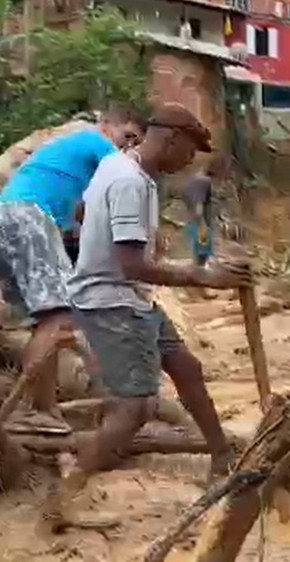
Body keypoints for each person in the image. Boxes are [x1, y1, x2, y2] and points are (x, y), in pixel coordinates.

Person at [48, 103, 253, 529]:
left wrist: (105, 238)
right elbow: (130, 265)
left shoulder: (121, 167)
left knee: (186, 367)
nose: (186, 164)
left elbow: (85, 213)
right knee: (135, 408)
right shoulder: (128, 182)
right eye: (188, 153)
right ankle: (65, 495)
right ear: (172, 139)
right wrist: (203, 276)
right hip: (111, 300)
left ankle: (222, 457)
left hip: (128, 295)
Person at [0, 107, 146, 428]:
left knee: (44, 320)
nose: (129, 147)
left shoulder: (70, 166)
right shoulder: (93, 141)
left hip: (9, 218)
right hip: (29, 218)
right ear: (106, 125)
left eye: (136, 142)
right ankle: (40, 411)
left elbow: (86, 219)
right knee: (57, 316)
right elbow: (126, 175)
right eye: (128, 137)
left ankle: (38, 406)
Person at [183, 155, 223, 267]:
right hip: (201, 223)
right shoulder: (203, 181)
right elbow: (198, 204)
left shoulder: (192, 179)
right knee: (201, 257)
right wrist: (203, 226)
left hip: (193, 221)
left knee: (198, 255)